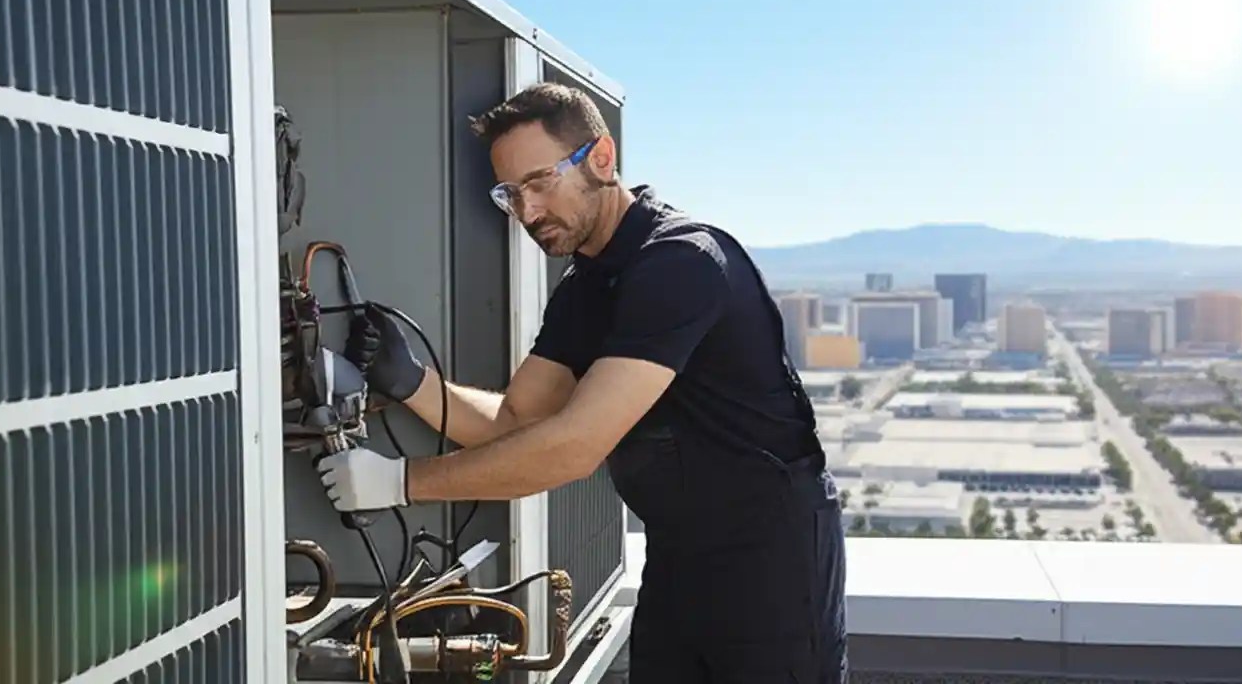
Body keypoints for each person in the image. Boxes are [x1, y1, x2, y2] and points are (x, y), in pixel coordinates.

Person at [317, 83, 848, 683]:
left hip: (769, 559)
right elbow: (517, 421)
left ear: (601, 158)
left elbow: (574, 445)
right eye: (510, 194)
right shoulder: (585, 287)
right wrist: (412, 379)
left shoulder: (682, 262)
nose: (527, 211)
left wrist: (400, 480)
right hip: (680, 553)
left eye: (540, 183)